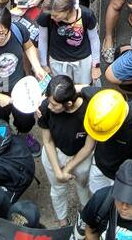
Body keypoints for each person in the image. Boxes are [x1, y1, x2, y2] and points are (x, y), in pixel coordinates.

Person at [37, 75, 97, 223]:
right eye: (48, 101)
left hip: (82, 155)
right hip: (55, 153)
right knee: (58, 189)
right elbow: (48, 141)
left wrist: (68, 168)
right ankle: (63, 220)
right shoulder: (45, 107)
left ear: (69, 103)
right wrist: (58, 171)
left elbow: (88, 146)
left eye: (54, 105)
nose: (49, 106)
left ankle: (85, 214)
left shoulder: (90, 110)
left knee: (83, 185)